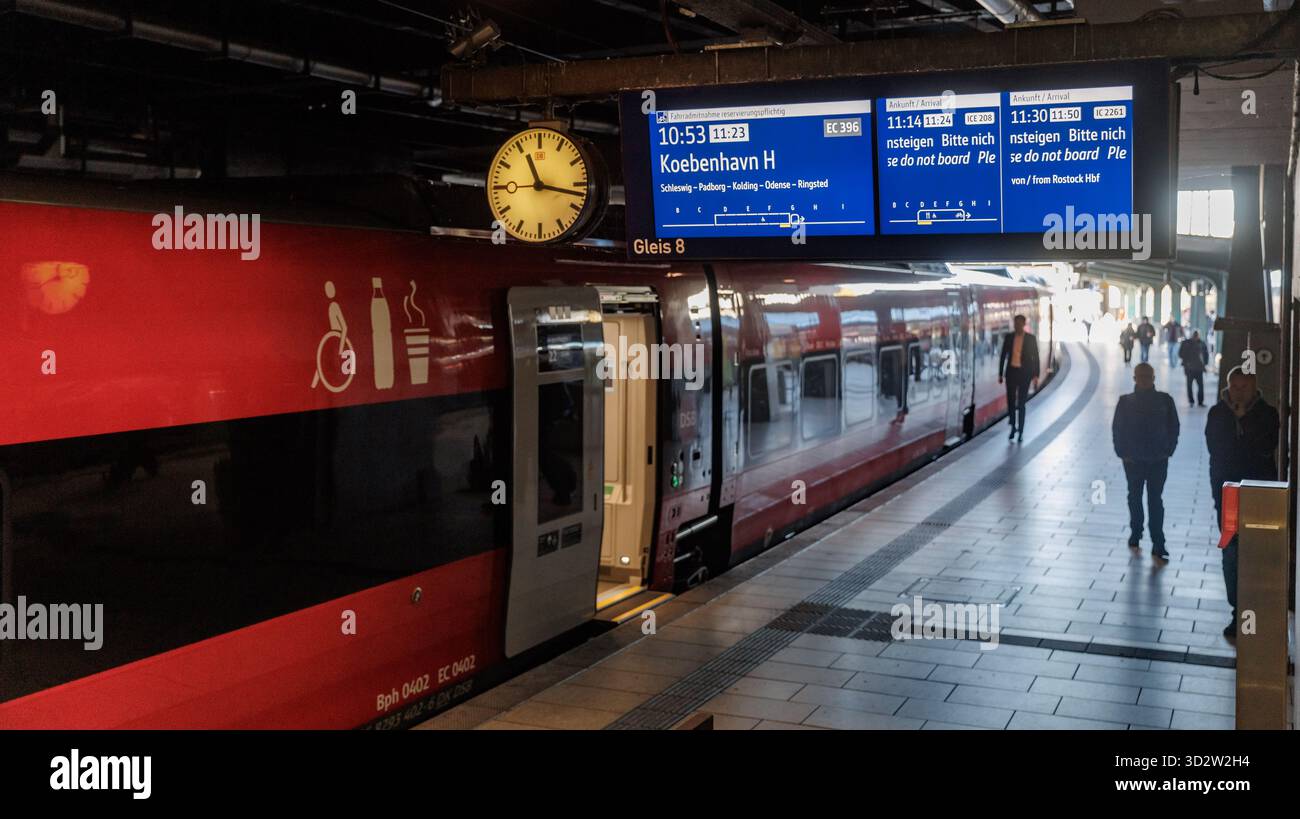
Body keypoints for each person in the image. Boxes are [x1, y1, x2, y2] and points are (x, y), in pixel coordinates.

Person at [1205, 368, 1280, 638]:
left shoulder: (1268, 414)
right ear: (1228, 387)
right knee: (1232, 552)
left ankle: (1256, 610)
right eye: (1234, 386)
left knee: (1257, 552)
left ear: (1255, 388)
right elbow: (1218, 449)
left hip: (1260, 493)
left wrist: (1243, 422)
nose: (1238, 391)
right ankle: (1238, 610)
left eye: (1244, 387)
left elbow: (1264, 446)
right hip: (1227, 495)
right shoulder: (1217, 414)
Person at [1112, 363, 1179, 559]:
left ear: (1153, 377)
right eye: (1140, 376)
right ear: (1134, 378)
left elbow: (1174, 426)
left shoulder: (1165, 400)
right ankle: (1137, 531)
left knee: (1154, 500)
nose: (1143, 379)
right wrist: (1122, 452)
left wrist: (1168, 450)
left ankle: (1158, 542)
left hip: (1158, 459)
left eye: (1147, 376)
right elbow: (1117, 428)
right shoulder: (1125, 402)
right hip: (1133, 459)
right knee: (1135, 497)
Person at [998, 314, 1039, 442]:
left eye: (1019, 324)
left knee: (1021, 403)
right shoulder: (1009, 337)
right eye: (1015, 324)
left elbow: (1036, 358)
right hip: (1011, 373)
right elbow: (1003, 355)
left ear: (1023, 324)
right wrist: (1000, 373)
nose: (1017, 326)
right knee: (1010, 401)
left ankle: (1020, 430)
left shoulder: (1031, 339)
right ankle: (1012, 426)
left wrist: (1036, 375)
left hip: (1024, 374)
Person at [1178, 330, 1209, 407]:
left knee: (1191, 385)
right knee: (1198, 386)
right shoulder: (1200, 344)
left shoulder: (1187, 343)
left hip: (1192, 368)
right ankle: (1198, 402)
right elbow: (1206, 355)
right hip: (1194, 368)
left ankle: (1193, 401)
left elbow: (1180, 354)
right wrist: (1205, 364)